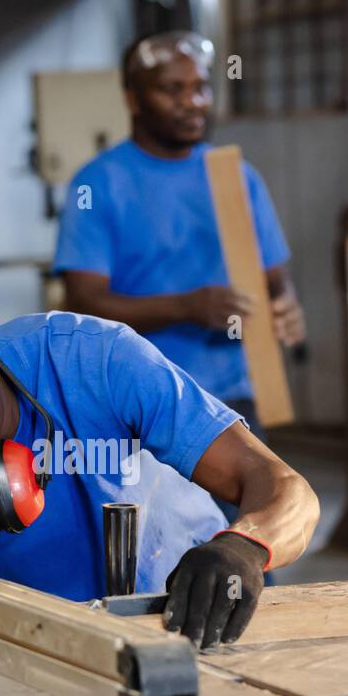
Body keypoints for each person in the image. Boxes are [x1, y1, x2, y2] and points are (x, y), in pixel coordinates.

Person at [0, 256, 319, 649]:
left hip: (188, 627)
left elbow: (284, 489)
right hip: (14, 663)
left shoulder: (96, 360)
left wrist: (243, 547)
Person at [54, 31, 306, 479]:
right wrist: (189, 307)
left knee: (239, 538)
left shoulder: (234, 176)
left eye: (201, 87)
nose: (193, 102)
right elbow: (84, 302)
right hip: (137, 402)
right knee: (150, 543)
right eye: (173, 90)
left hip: (231, 402)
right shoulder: (98, 183)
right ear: (133, 99)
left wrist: (284, 302)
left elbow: (272, 275)